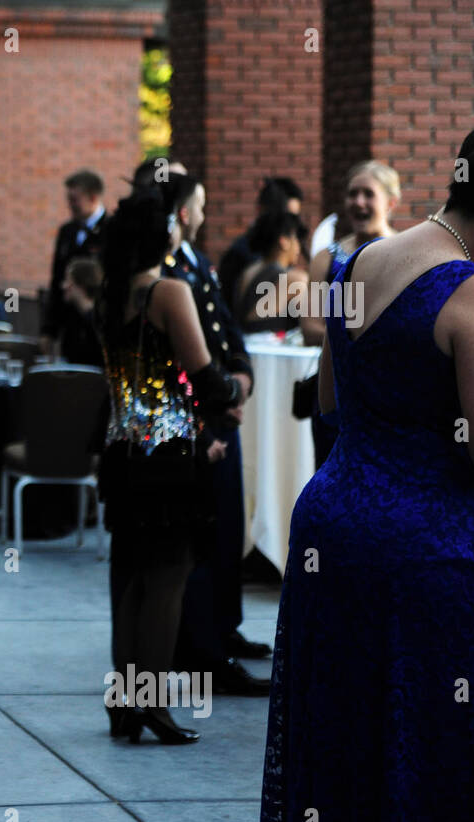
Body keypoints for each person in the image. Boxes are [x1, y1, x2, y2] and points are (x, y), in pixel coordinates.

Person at [259, 126, 474, 822]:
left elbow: (331, 402)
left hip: (336, 532)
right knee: (438, 746)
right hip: (438, 557)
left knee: (348, 739)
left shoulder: (357, 261)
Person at [97, 186, 244, 745]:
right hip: (169, 454)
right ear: (164, 234)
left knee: (131, 578)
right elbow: (204, 376)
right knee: (167, 580)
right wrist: (237, 388)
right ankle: (153, 706)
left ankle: (124, 702)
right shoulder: (168, 291)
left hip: (122, 451)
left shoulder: (111, 293)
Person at [161, 172, 270, 693]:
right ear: (185, 212)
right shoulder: (167, 272)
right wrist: (225, 395)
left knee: (227, 527)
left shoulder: (198, 262)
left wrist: (241, 376)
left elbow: (227, 328)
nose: (204, 215)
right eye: (201, 206)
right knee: (204, 536)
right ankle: (205, 650)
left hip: (223, 406)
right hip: (199, 419)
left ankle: (224, 629)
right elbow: (179, 362)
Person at [302, 160, 399, 468]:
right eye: (352, 194)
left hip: (389, 389)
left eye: (368, 194)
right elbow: (309, 328)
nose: (358, 202)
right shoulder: (326, 259)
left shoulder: (406, 254)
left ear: (391, 202)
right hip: (333, 386)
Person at [43, 170, 105, 365]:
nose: (70, 205)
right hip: (70, 326)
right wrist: (49, 330)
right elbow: (56, 280)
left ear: (92, 197)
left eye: (74, 200)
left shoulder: (111, 230)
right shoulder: (67, 232)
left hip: (97, 326)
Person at [217, 177, 304, 309]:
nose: (292, 226)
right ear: (261, 210)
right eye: (286, 218)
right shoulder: (240, 255)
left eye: (294, 219)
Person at [231, 210, 309, 333]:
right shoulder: (294, 279)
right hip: (274, 344)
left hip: (240, 341)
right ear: (284, 241)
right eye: (297, 239)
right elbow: (310, 323)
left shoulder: (247, 272)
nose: (299, 247)